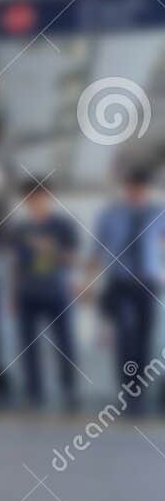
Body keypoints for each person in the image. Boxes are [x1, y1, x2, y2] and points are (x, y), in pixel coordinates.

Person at [88, 166, 165, 397]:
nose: (137, 193)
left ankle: (139, 387)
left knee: (144, 333)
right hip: (119, 282)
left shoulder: (159, 213)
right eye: (133, 188)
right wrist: (86, 282)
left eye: (141, 189)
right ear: (126, 189)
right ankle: (127, 386)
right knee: (124, 335)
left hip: (147, 282)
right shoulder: (111, 215)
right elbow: (98, 249)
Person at [8, 178, 79, 411]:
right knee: (28, 345)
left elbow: (72, 259)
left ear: (48, 197)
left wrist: (51, 249)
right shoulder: (20, 229)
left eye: (39, 198)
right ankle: (33, 392)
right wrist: (12, 295)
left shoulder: (62, 225)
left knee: (64, 343)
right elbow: (15, 264)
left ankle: (69, 389)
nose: (35, 203)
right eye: (30, 199)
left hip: (56, 292)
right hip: (28, 292)